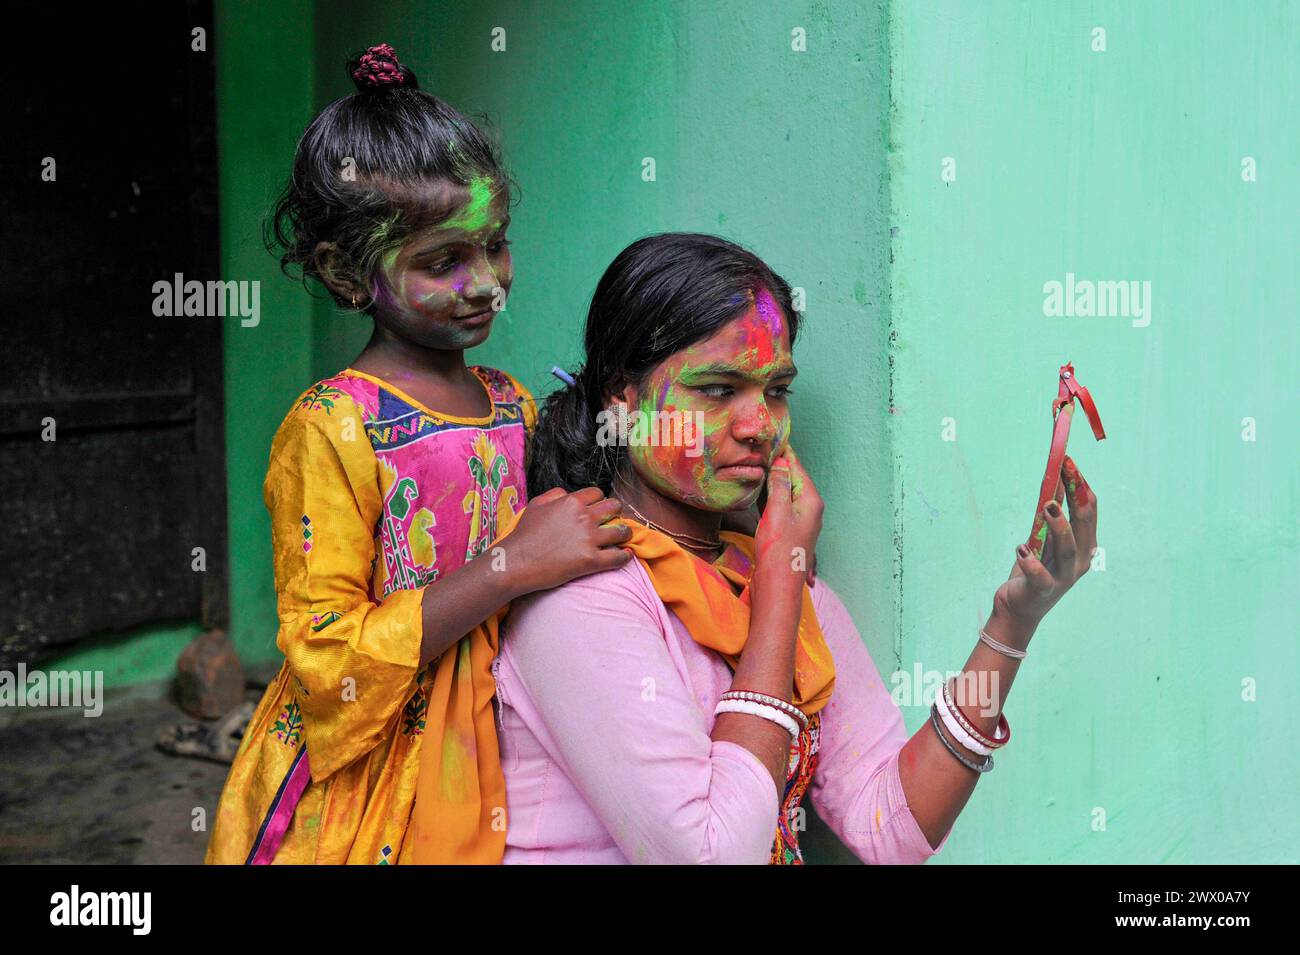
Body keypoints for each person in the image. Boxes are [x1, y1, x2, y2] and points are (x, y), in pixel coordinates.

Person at [494, 232, 1100, 863]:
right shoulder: (586, 595)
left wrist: (1012, 623)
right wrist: (781, 579)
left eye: (775, 391)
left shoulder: (771, 582)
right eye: (718, 390)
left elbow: (888, 827)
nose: (760, 426)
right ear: (623, 397)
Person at [204, 44, 631, 865]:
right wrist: (507, 565)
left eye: (494, 245)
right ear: (348, 271)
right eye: (443, 261)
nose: (486, 283)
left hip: (493, 739)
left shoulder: (516, 403)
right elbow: (328, 656)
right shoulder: (332, 428)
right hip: (365, 789)